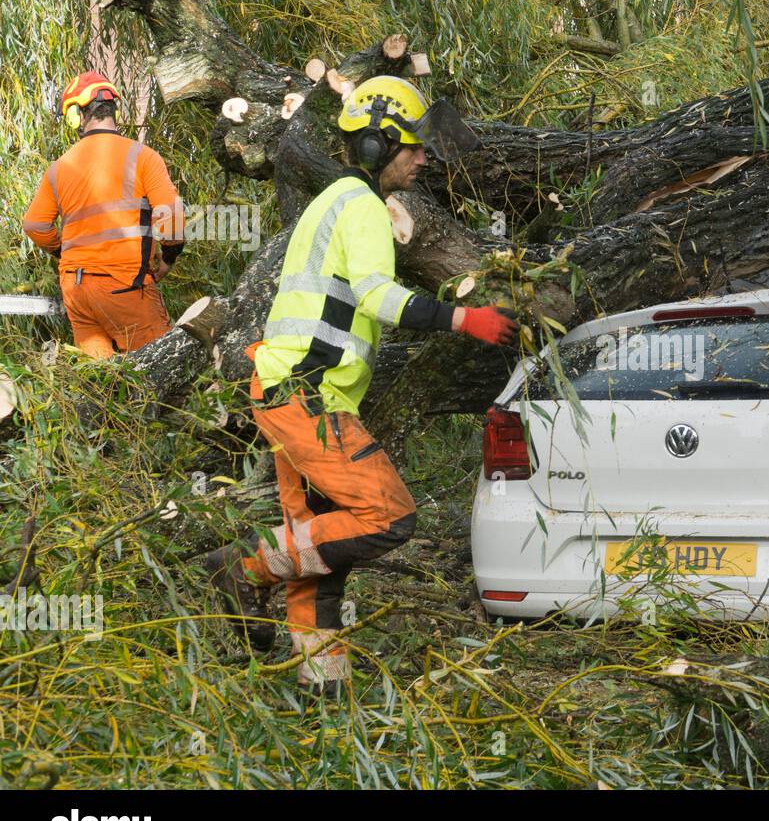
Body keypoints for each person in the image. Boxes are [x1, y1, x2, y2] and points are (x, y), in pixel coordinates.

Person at [204, 76, 518, 696]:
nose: (424, 158)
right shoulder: (362, 206)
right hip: (307, 397)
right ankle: (237, 568)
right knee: (387, 516)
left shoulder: (336, 200)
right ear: (377, 147)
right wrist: (464, 318)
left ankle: (322, 692)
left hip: (293, 392)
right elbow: (377, 298)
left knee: (317, 555)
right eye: (414, 147)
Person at [22, 71, 184, 357]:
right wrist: (169, 258)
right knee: (159, 367)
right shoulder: (142, 157)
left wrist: (63, 251)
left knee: (102, 384)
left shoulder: (59, 168)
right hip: (125, 288)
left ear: (76, 115)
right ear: (114, 110)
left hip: (76, 289)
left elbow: (34, 225)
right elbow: (171, 219)